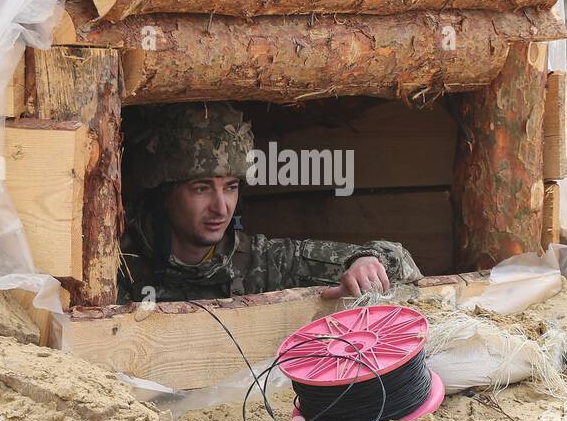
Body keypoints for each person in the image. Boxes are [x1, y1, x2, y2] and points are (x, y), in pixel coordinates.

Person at [118, 103, 421, 303]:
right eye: (201, 189)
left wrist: (367, 261)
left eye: (231, 187)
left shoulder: (263, 262)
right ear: (164, 193)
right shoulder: (118, 268)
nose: (221, 207)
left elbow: (400, 262)